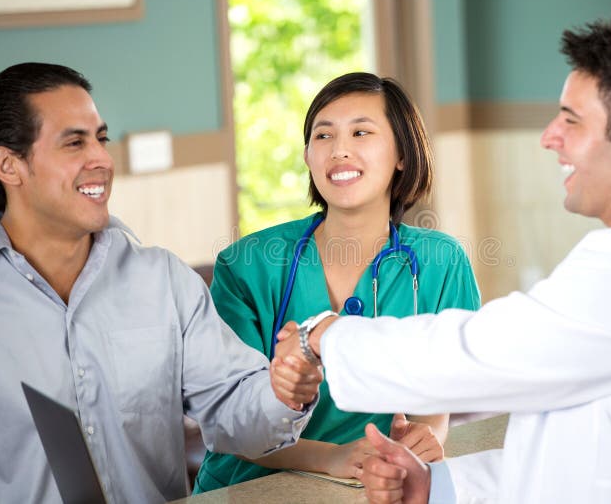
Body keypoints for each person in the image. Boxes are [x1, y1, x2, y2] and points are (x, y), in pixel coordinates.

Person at [272, 20, 611, 503]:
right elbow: (579, 448)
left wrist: (324, 334)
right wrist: (437, 484)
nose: (550, 136)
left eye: (571, 119)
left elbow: (479, 354)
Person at [0, 62, 323, 503]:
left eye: (101, 138)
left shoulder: (163, 281)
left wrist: (284, 390)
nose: (101, 160)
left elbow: (237, 412)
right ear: (8, 165)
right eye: (74, 142)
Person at [194, 72, 480, 491]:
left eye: (361, 132)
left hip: (372, 487)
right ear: (308, 156)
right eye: (323, 136)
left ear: (403, 154)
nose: (339, 150)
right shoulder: (247, 264)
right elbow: (230, 418)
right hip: (250, 488)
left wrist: (429, 432)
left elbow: (444, 381)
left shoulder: (441, 262)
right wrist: (333, 456)